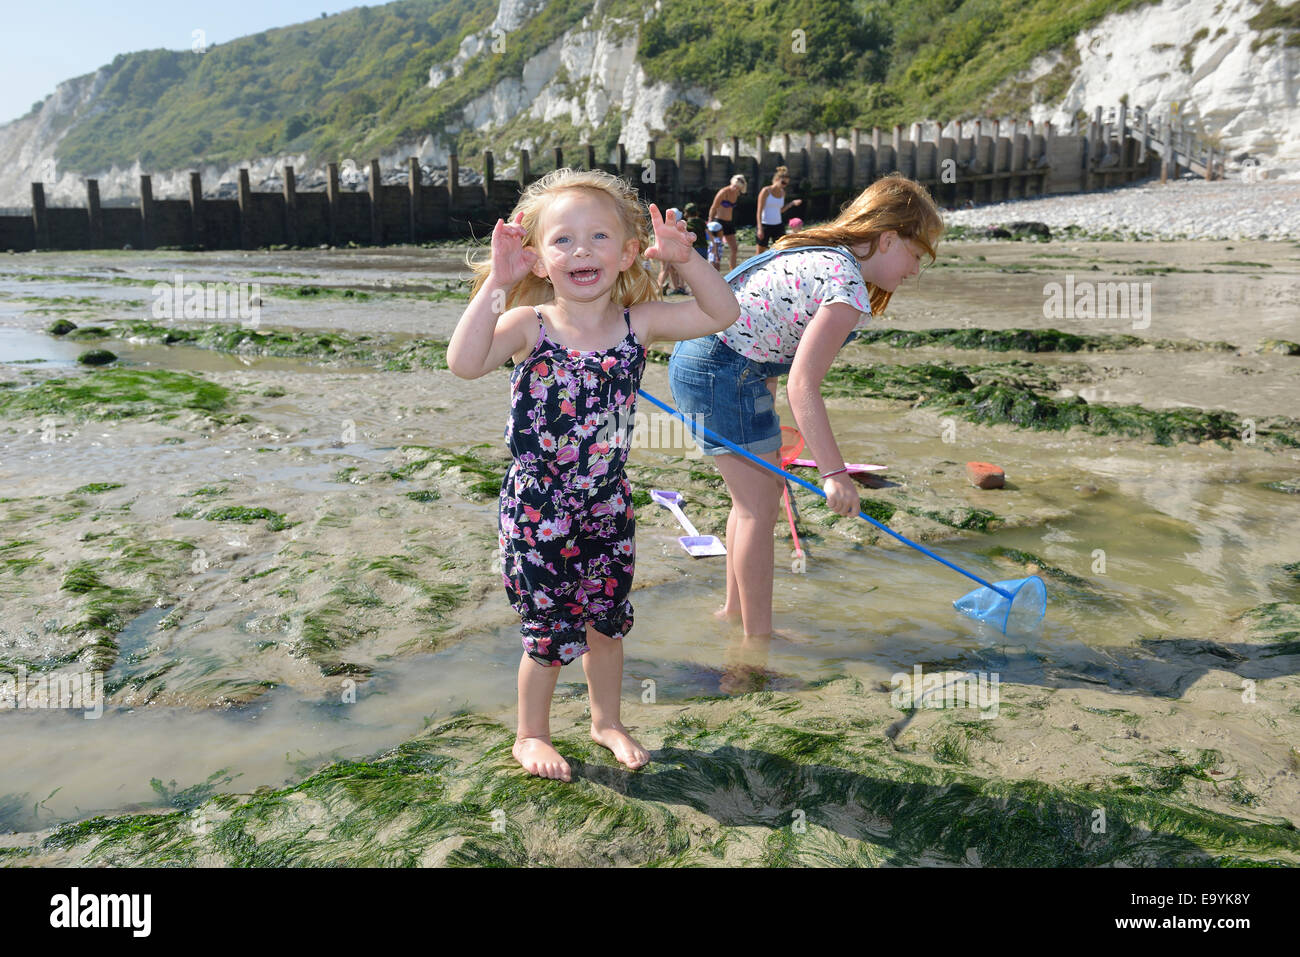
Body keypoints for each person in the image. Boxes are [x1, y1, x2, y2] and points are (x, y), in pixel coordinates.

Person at [448, 168, 740, 781]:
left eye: (599, 237)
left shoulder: (640, 322)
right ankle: (530, 734)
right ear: (538, 259)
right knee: (548, 632)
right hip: (536, 509)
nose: (582, 250)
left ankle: (606, 720)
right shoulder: (530, 325)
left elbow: (721, 313)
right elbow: (464, 362)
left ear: (630, 250)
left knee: (607, 622)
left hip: (607, 505)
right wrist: (498, 285)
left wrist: (686, 259)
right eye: (563, 240)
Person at [666, 173, 943, 640]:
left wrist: (764, 395)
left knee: (754, 500)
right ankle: (758, 641)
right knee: (758, 508)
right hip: (720, 370)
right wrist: (834, 475)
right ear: (888, 238)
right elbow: (805, 385)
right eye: (915, 256)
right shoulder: (846, 288)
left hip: (714, 362)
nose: (914, 270)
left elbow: (769, 320)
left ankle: (734, 614)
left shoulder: (821, 256)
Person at [755, 166, 802, 253]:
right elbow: (759, 211)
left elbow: (780, 210)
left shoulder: (782, 192)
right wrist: (760, 228)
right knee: (759, 253)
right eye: (783, 182)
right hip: (765, 224)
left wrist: (791, 204)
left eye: (786, 184)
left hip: (778, 225)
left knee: (781, 250)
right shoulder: (766, 191)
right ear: (777, 179)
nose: (784, 185)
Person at [708, 174, 747, 271]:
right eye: (734, 186)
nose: (735, 188)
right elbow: (714, 206)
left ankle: (732, 269)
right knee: (717, 248)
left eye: (737, 187)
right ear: (731, 183)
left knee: (734, 248)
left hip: (729, 222)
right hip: (719, 222)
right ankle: (714, 269)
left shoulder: (736, 193)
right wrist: (710, 220)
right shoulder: (723, 192)